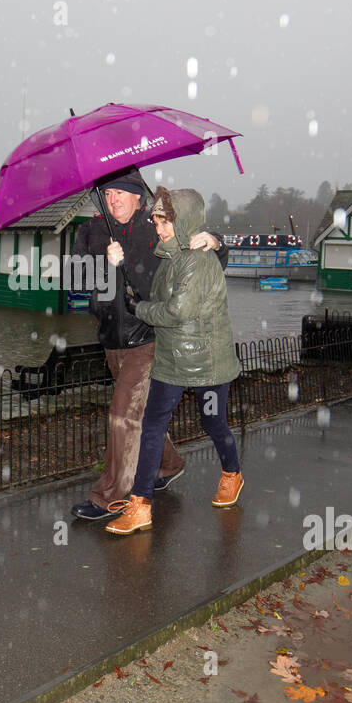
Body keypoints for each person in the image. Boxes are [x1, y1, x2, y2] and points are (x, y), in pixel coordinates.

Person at [69, 172, 228, 521]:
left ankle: (109, 497)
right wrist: (102, 265)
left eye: (121, 194)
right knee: (138, 414)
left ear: (138, 198)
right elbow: (75, 278)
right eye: (108, 194)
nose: (113, 200)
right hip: (112, 339)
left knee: (123, 415)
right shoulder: (92, 231)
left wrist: (216, 240)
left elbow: (205, 258)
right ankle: (168, 465)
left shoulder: (155, 226)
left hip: (151, 337)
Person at [105, 187, 243, 535]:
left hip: (207, 364)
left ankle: (232, 473)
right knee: (152, 428)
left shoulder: (197, 260)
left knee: (213, 423)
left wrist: (140, 309)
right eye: (157, 221)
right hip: (170, 360)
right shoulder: (166, 257)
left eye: (166, 222)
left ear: (185, 222)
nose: (159, 228)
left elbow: (178, 311)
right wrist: (119, 265)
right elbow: (153, 290)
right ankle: (140, 505)